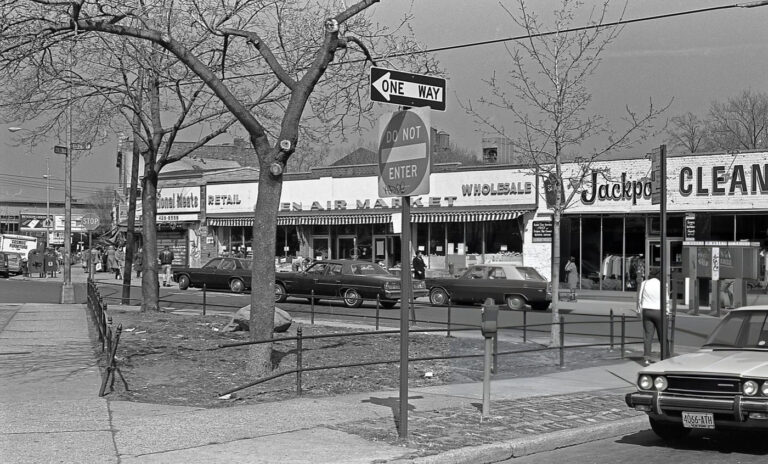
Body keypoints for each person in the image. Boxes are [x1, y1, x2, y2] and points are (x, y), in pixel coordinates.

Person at [637, 273, 667, 366]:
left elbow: (640, 298)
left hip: (646, 311)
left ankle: (646, 359)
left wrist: (639, 310)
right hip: (659, 311)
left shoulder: (644, 283)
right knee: (662, 335)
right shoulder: (662, 284)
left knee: (648, 336)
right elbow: (666, 299)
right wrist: (667, 311)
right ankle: (665, 357)